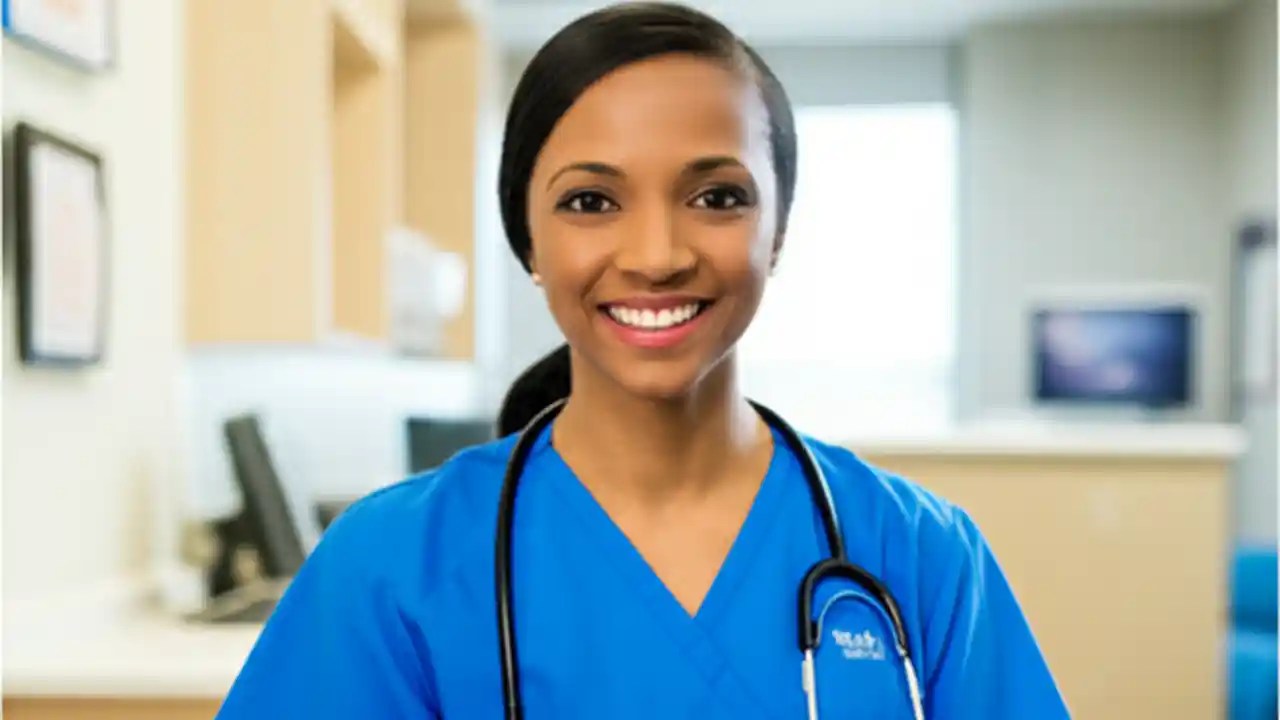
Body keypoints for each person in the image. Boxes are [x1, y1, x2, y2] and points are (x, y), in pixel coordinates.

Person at [216, 3, 1069, 718]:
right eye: (591, 201)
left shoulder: (919, 555)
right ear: (529, 241)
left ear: (777, 232)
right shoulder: (392, 569)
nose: (656, 253)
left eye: (716, 197)